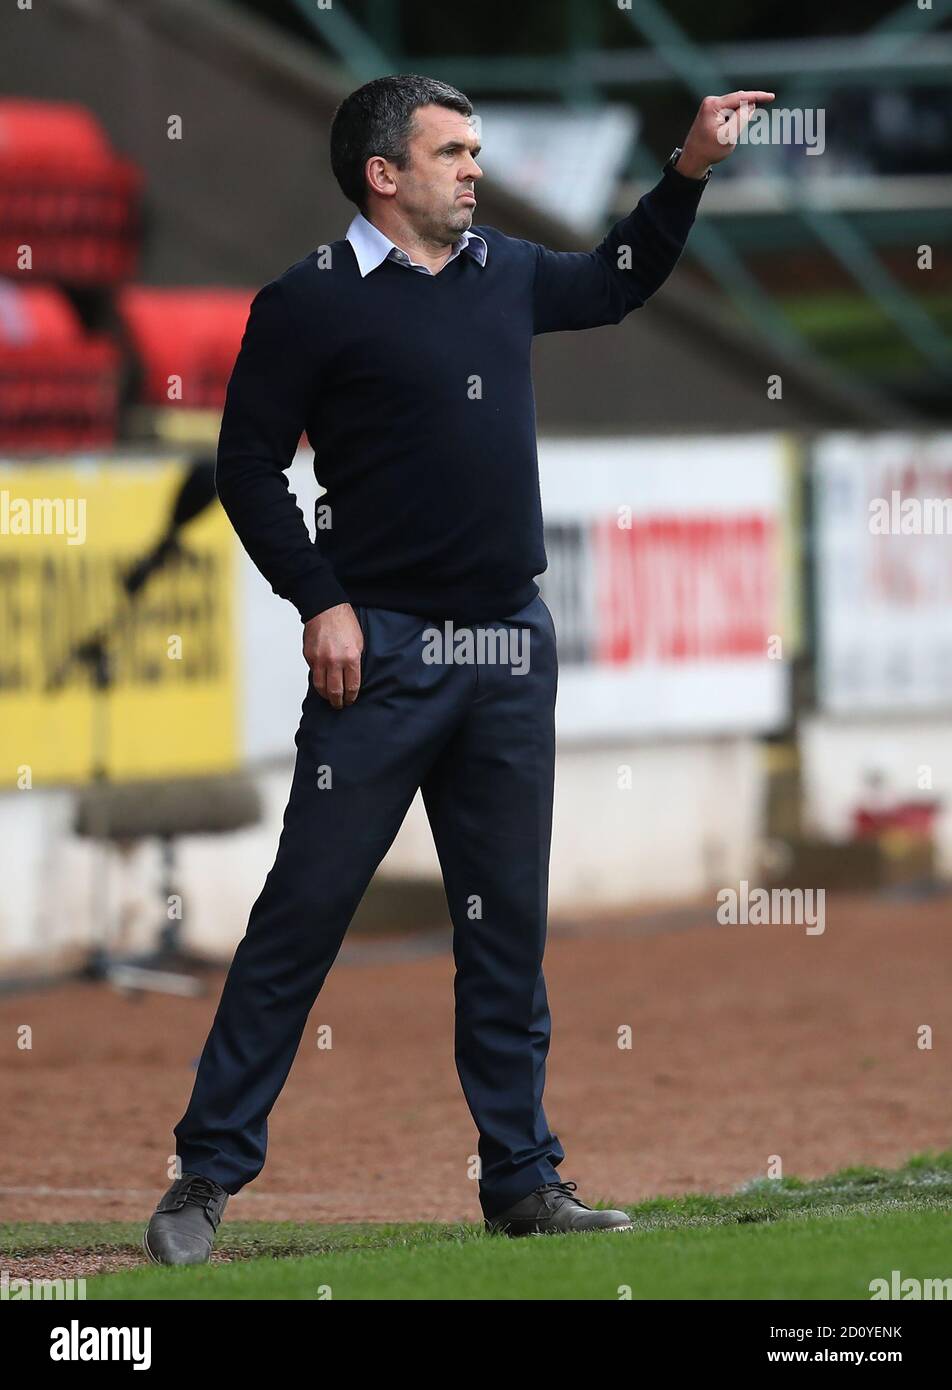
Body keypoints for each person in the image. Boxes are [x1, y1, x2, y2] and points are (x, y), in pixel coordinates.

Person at [144, 73, 773, 1264]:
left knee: (504, 931)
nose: (475, 170)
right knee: (301, 918)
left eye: (476, 151)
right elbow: (244, 469)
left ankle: (521, 1178)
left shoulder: (506, 271)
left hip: (506, 649)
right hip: (377, 657)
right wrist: (321, 602)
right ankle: (204, 1176)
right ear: (384, 174)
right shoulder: (307, 303)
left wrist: (688, 165)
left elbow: (619, 281)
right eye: (453, 152)